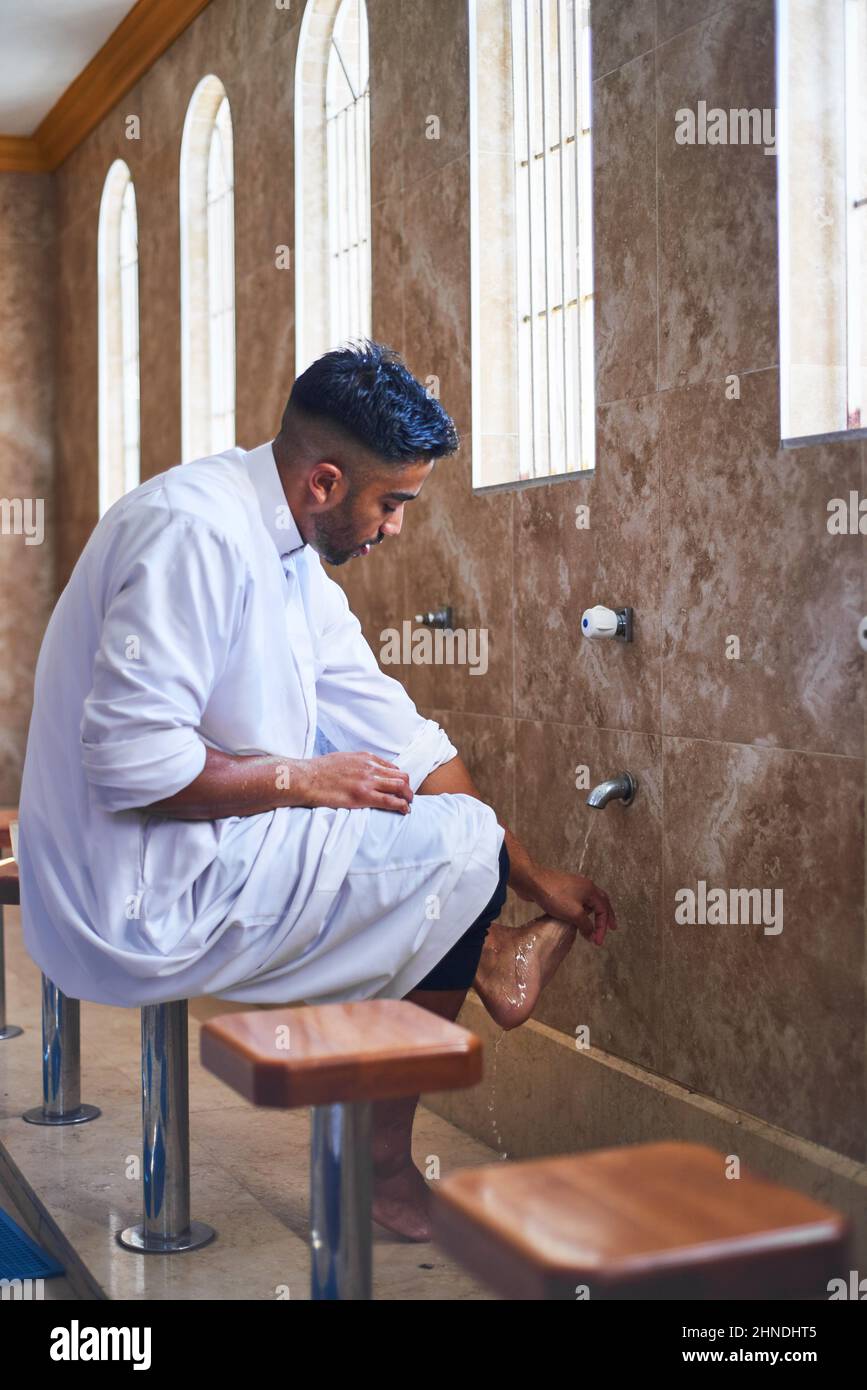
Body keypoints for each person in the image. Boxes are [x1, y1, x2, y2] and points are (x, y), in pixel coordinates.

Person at [18, 339, 616, 1240]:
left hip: (196, 849)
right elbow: (133, 771)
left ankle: (489, 947)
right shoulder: (195, 534)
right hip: (133, 885)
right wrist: (301, 779)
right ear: (327, 483)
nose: (397, 528)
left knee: (450, 840)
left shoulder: (288, 549)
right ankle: (379, 1172)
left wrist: (526, 878)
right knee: (437, 849)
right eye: (393, 503)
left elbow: (404, 740)